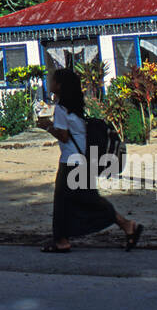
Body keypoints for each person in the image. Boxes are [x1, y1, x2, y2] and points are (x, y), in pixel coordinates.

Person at [36, 67, 144, 252]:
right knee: (85, 199)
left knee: (68, 201)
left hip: (70, 162)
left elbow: (63, 136)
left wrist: (47, 126)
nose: (49, 83)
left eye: (52, 80)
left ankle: (63, 241)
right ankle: (125, 225)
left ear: (60, 86)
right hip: (81, 161)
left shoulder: (61, 108)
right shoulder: (76, 108)